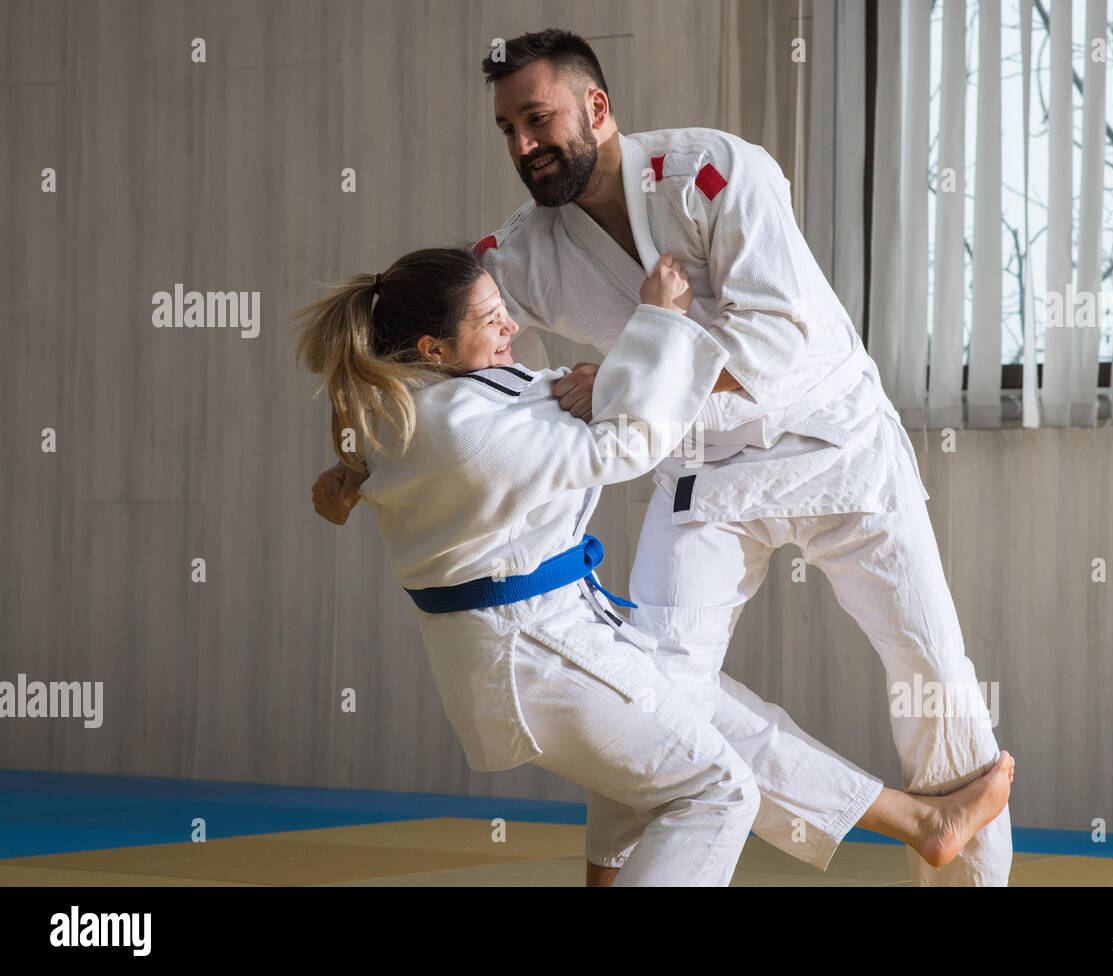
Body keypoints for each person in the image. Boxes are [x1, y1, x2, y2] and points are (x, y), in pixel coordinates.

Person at [312, 29, 1013, 887]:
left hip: (836, 441)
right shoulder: (525, 250)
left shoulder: (717, 172)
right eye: (507, 130)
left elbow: (780, 340)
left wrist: (618, 373)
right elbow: (414, 331)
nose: (523, 147)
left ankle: (952, 851)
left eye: (538, 120)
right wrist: (354, 448)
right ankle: (617, 873)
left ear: (597, 109)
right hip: (700, 467)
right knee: (657, 688)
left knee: (934, 681)